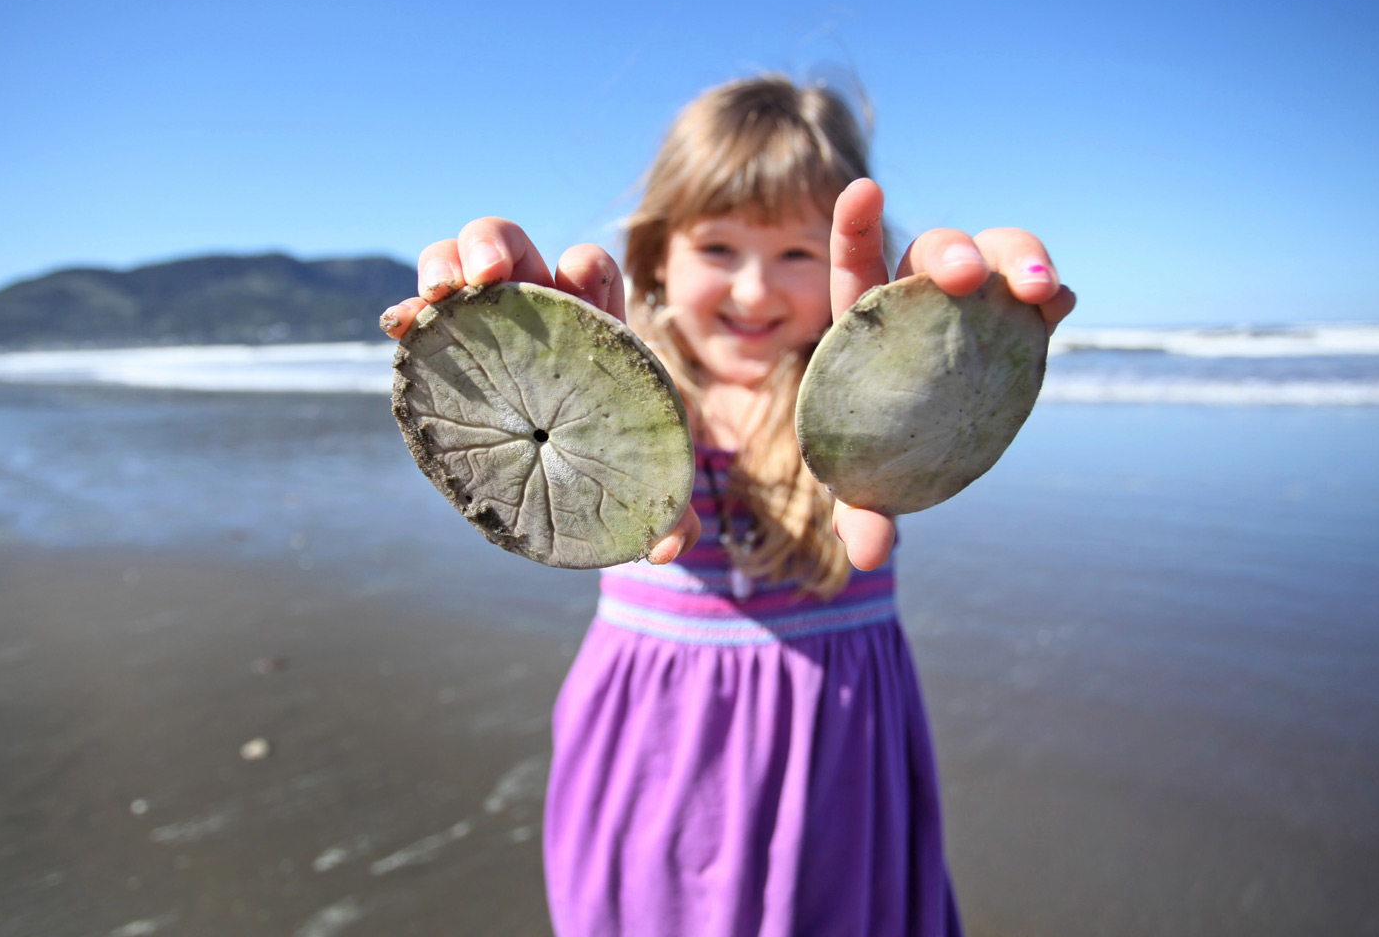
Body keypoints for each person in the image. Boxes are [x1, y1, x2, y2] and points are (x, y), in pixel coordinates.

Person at [379, 75, 1075, 937]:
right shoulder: (626, 396)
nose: (755, 292)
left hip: (833, 758)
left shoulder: (862, 417)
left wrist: (962, 345)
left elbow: (923, 419)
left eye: (794, 253)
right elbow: (542, 454)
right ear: (657, 254)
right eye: (719, 249)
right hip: (656, 752)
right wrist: (516, 350)